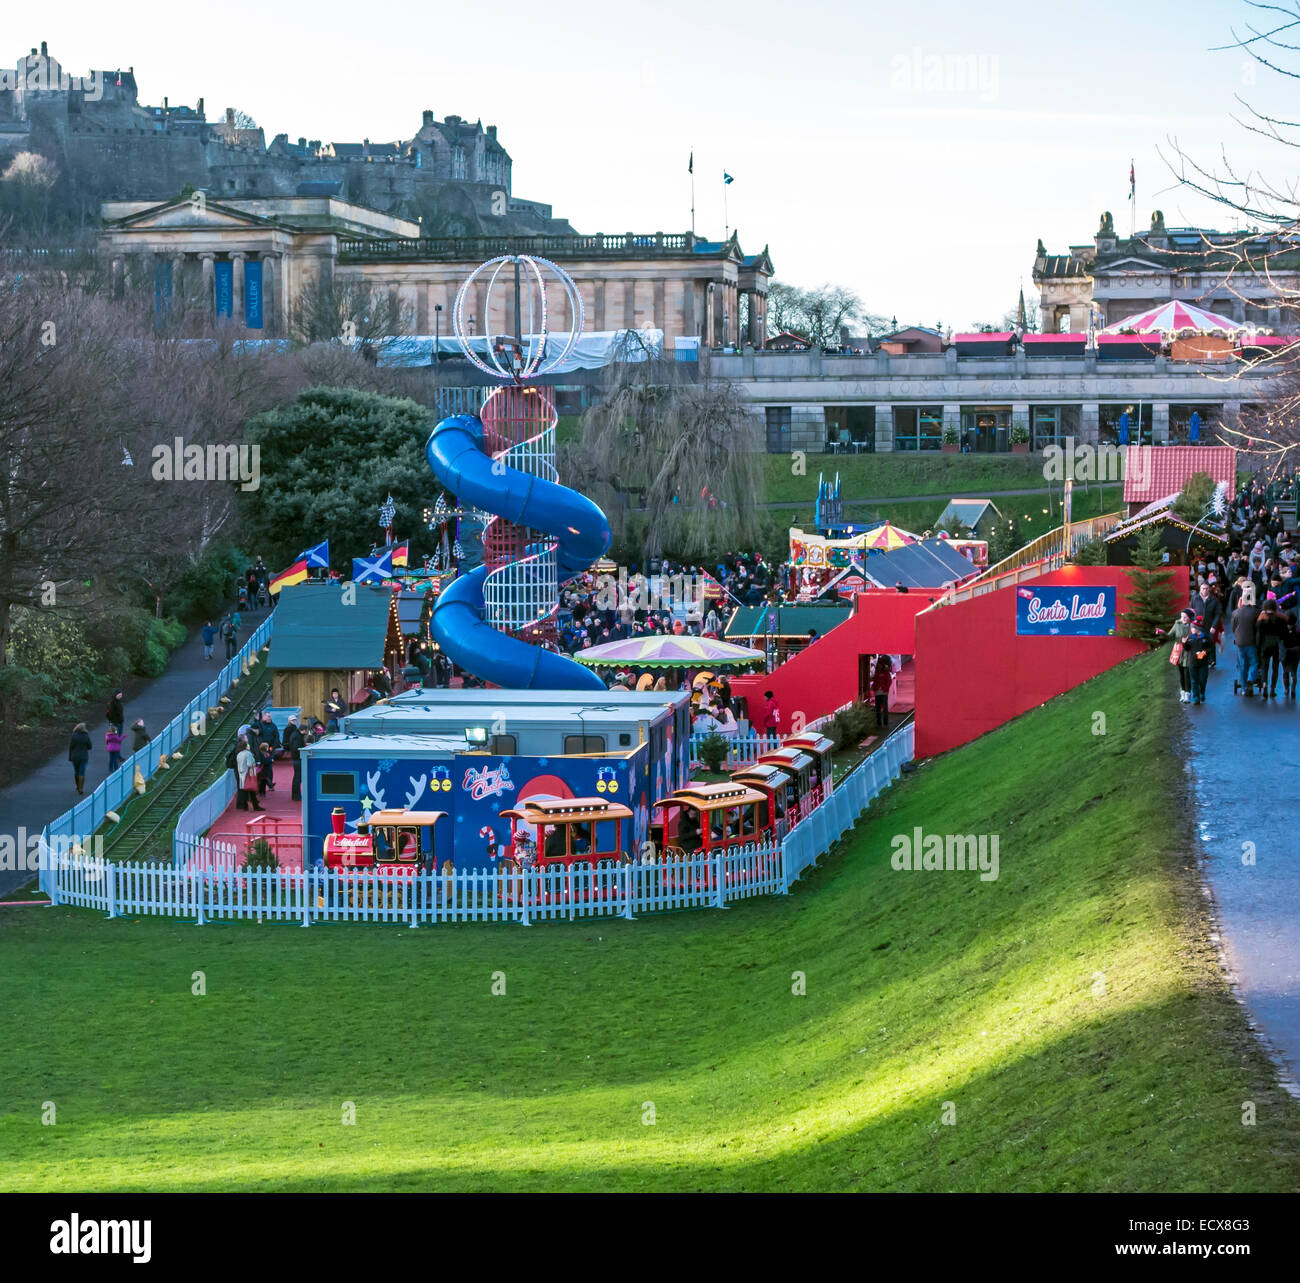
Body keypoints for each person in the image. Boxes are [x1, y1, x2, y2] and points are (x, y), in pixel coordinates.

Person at [1231, 584, 1261, 695]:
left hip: (1240, 642)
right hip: (1252, 641)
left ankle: (1243, 688)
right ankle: (1250, 679)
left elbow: (1233, 628)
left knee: (1242, 664)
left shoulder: (1235, 613)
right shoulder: (1256, 612)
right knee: (1253, 662)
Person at [1170, 609, 1194, 704]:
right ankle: (1183, 693)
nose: (1182, 619)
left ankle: (1188, 694)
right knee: (1181, 674)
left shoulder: (1192, 627)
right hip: (1179, 653)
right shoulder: (1178, 625)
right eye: (1181, 616)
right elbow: (1169, 635)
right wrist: (1162, 632)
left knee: (1187, 674)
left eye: (1185, 617)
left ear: (1189, 618)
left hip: (1188, 653)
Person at [1187, 618, 1213, 705]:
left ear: (1197, 629)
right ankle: (1195, 697)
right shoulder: (1190, 638)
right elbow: (1187, 648)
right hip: (1192, 662)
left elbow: (1211, 648)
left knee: (1203, 679)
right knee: (1194, 681)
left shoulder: (1205, 637)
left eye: (1193, 628)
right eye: (1191, 628)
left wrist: (1204, 652)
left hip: (1203, 663)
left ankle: (1202, 692)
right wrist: (1184, 643)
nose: (1191, 630)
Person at [235, 737, 264, 812]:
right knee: (252, 791)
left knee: (244, 791)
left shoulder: (239, 754)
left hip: (241, 773)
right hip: (248, 774)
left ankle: (245, 806)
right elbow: (250, 764)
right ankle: (255, 806)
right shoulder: (248, 754)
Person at [283, 714, 305, 802]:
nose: (294, 721)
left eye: (294, 720)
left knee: (297, 777)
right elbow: (293, 745)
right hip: (296, 757)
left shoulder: (294, 730)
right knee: (297, 777)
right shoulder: (291, 730)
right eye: (292, 720)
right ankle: (296, 796)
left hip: (295, 755)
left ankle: (296, 795)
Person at [68, 723, 91, 796]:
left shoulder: (74, 735)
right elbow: (90, 746)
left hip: (75, 756)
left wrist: (70, 757)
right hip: (83, 757)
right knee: (82, 772)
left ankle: (77, 786)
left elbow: (71, 747)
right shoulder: (86, 736)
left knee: (76, 772)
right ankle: (81, 789)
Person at [871, 656, 894, 728]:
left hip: (884, 692)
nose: (879, 666)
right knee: (877, 708)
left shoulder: (886, 672)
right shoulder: (877, 672)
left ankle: (885, 722)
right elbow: (875, 680)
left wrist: (886, 689)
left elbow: (889, 681)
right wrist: (874, 688)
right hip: (877, 692)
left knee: (884, 708)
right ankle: (878, 723)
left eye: (880, 664)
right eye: (879, 664)